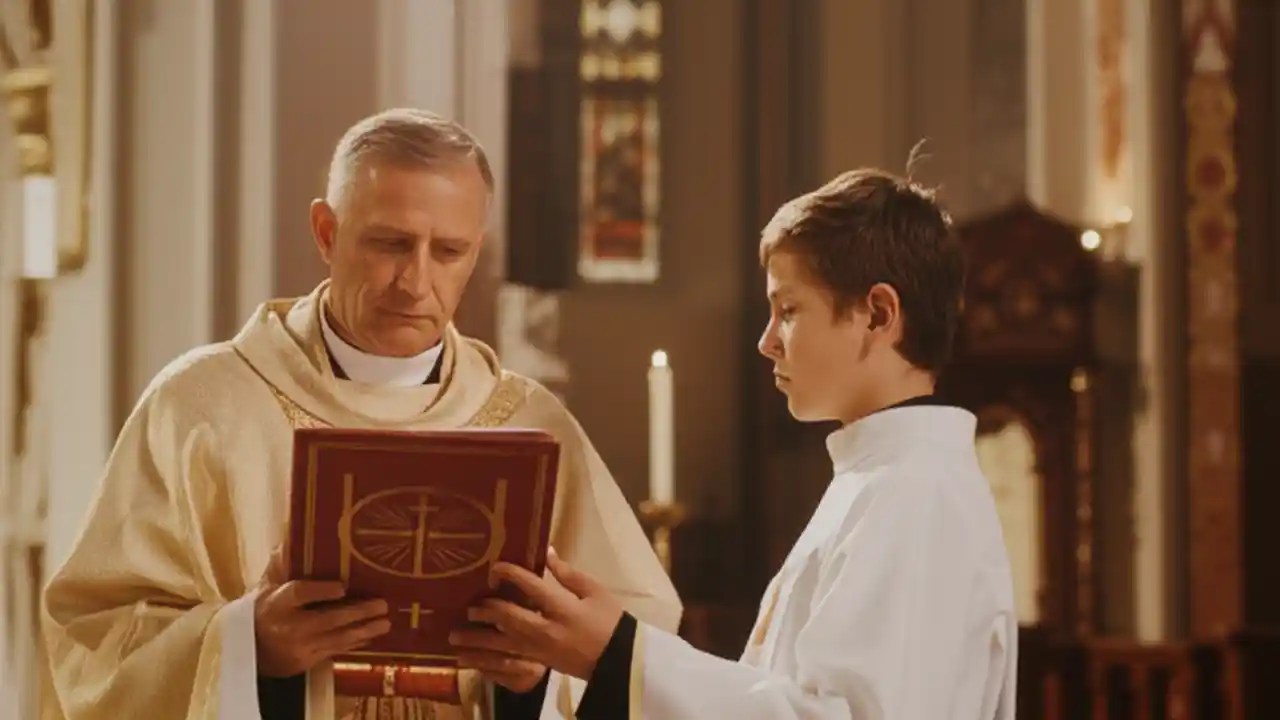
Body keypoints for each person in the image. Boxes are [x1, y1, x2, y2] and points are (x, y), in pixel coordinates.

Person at [41, 109, 681, 720]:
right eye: (390, 244)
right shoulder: (202, 408)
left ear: (476, 252)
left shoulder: (530, 424)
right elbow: (93, 644)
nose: (415, 281)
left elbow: (637, 649)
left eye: (449, 251)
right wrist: (247, 644)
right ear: (326, 232)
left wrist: (536, 681)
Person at [451, 169, 1018, 719]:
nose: (767, 341)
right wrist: (568, 668)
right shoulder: (880, 480)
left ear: (877, 313)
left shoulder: (916, 497)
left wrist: (619, 654)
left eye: (788, 310)